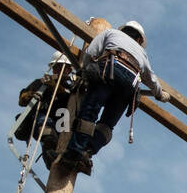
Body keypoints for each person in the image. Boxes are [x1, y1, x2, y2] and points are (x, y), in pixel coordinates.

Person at [68, 20, 168, 172]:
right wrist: (160, 94)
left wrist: (86, 70)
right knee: (107, 125)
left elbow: (90, 52)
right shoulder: (142, 53)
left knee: (89, 111)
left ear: (124, 30)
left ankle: (75, 152)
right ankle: (88, 152)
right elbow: (150, 77)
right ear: (140, 39)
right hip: (129, 85)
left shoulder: (111, 33)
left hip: (110, 70)